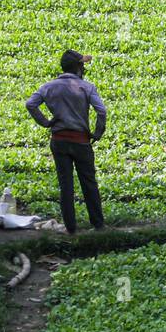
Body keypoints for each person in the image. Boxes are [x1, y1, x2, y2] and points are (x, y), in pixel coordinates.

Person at [26, 49, 106, 234]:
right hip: (81, 141)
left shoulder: (49, 87)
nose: (84, 69)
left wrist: (46, 122)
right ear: (78, 67)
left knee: (66, 185)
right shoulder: (86, 87)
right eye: (83, 65)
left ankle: (71, 228)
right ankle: (98, 224)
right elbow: (101, 111)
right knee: (89, 183)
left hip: (59, 141)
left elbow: (31, 104)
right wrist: (97, 132)